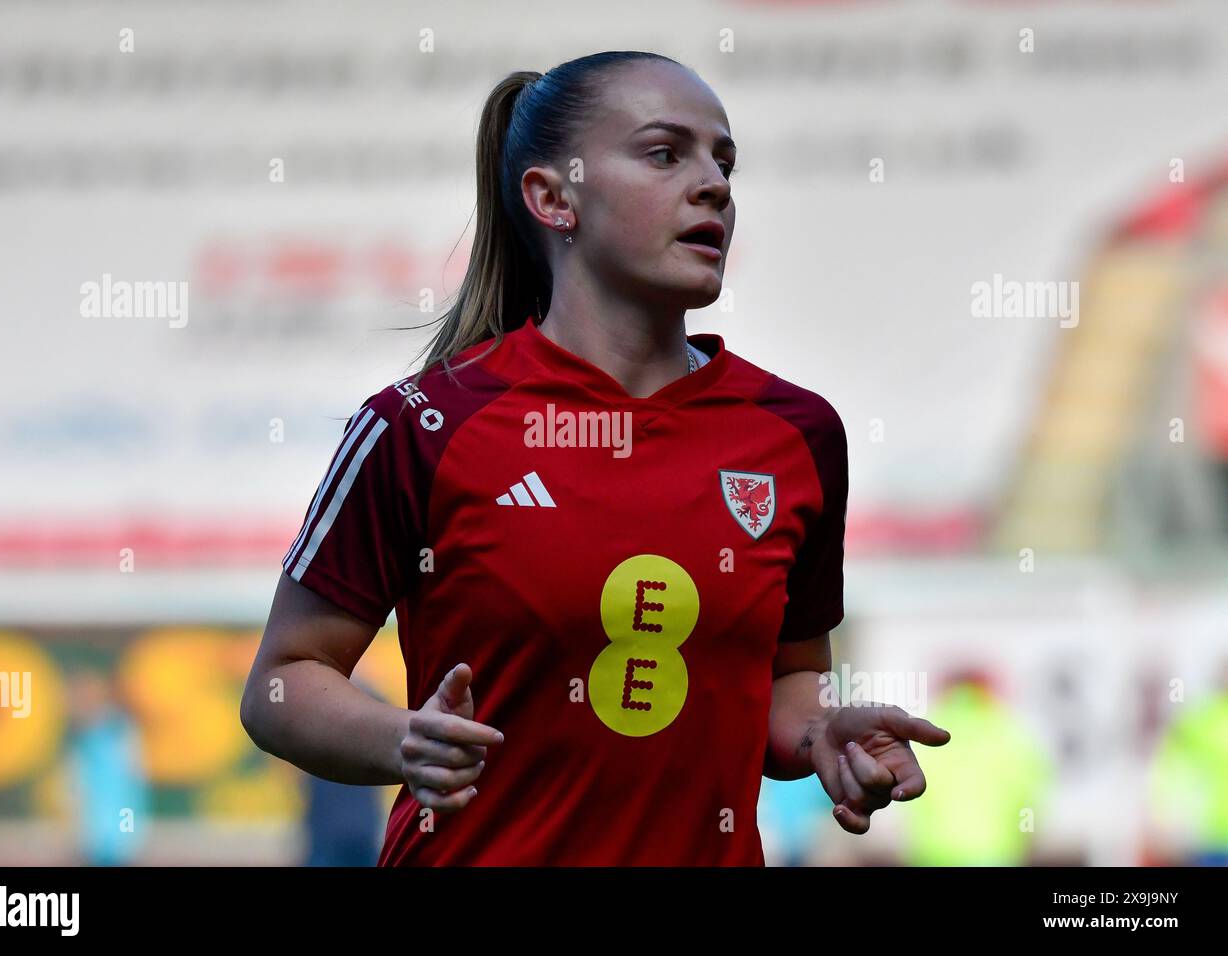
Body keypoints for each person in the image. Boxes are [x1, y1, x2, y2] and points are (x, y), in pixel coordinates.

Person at [242, 50, 949, 866]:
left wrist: (825, 731)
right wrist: (402, 740)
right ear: (552, 197)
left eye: (724, 162)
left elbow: (788, 683)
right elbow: (280, 684)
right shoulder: (424, 426)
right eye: (663, 153)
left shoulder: (796, 432)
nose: (714, 183)